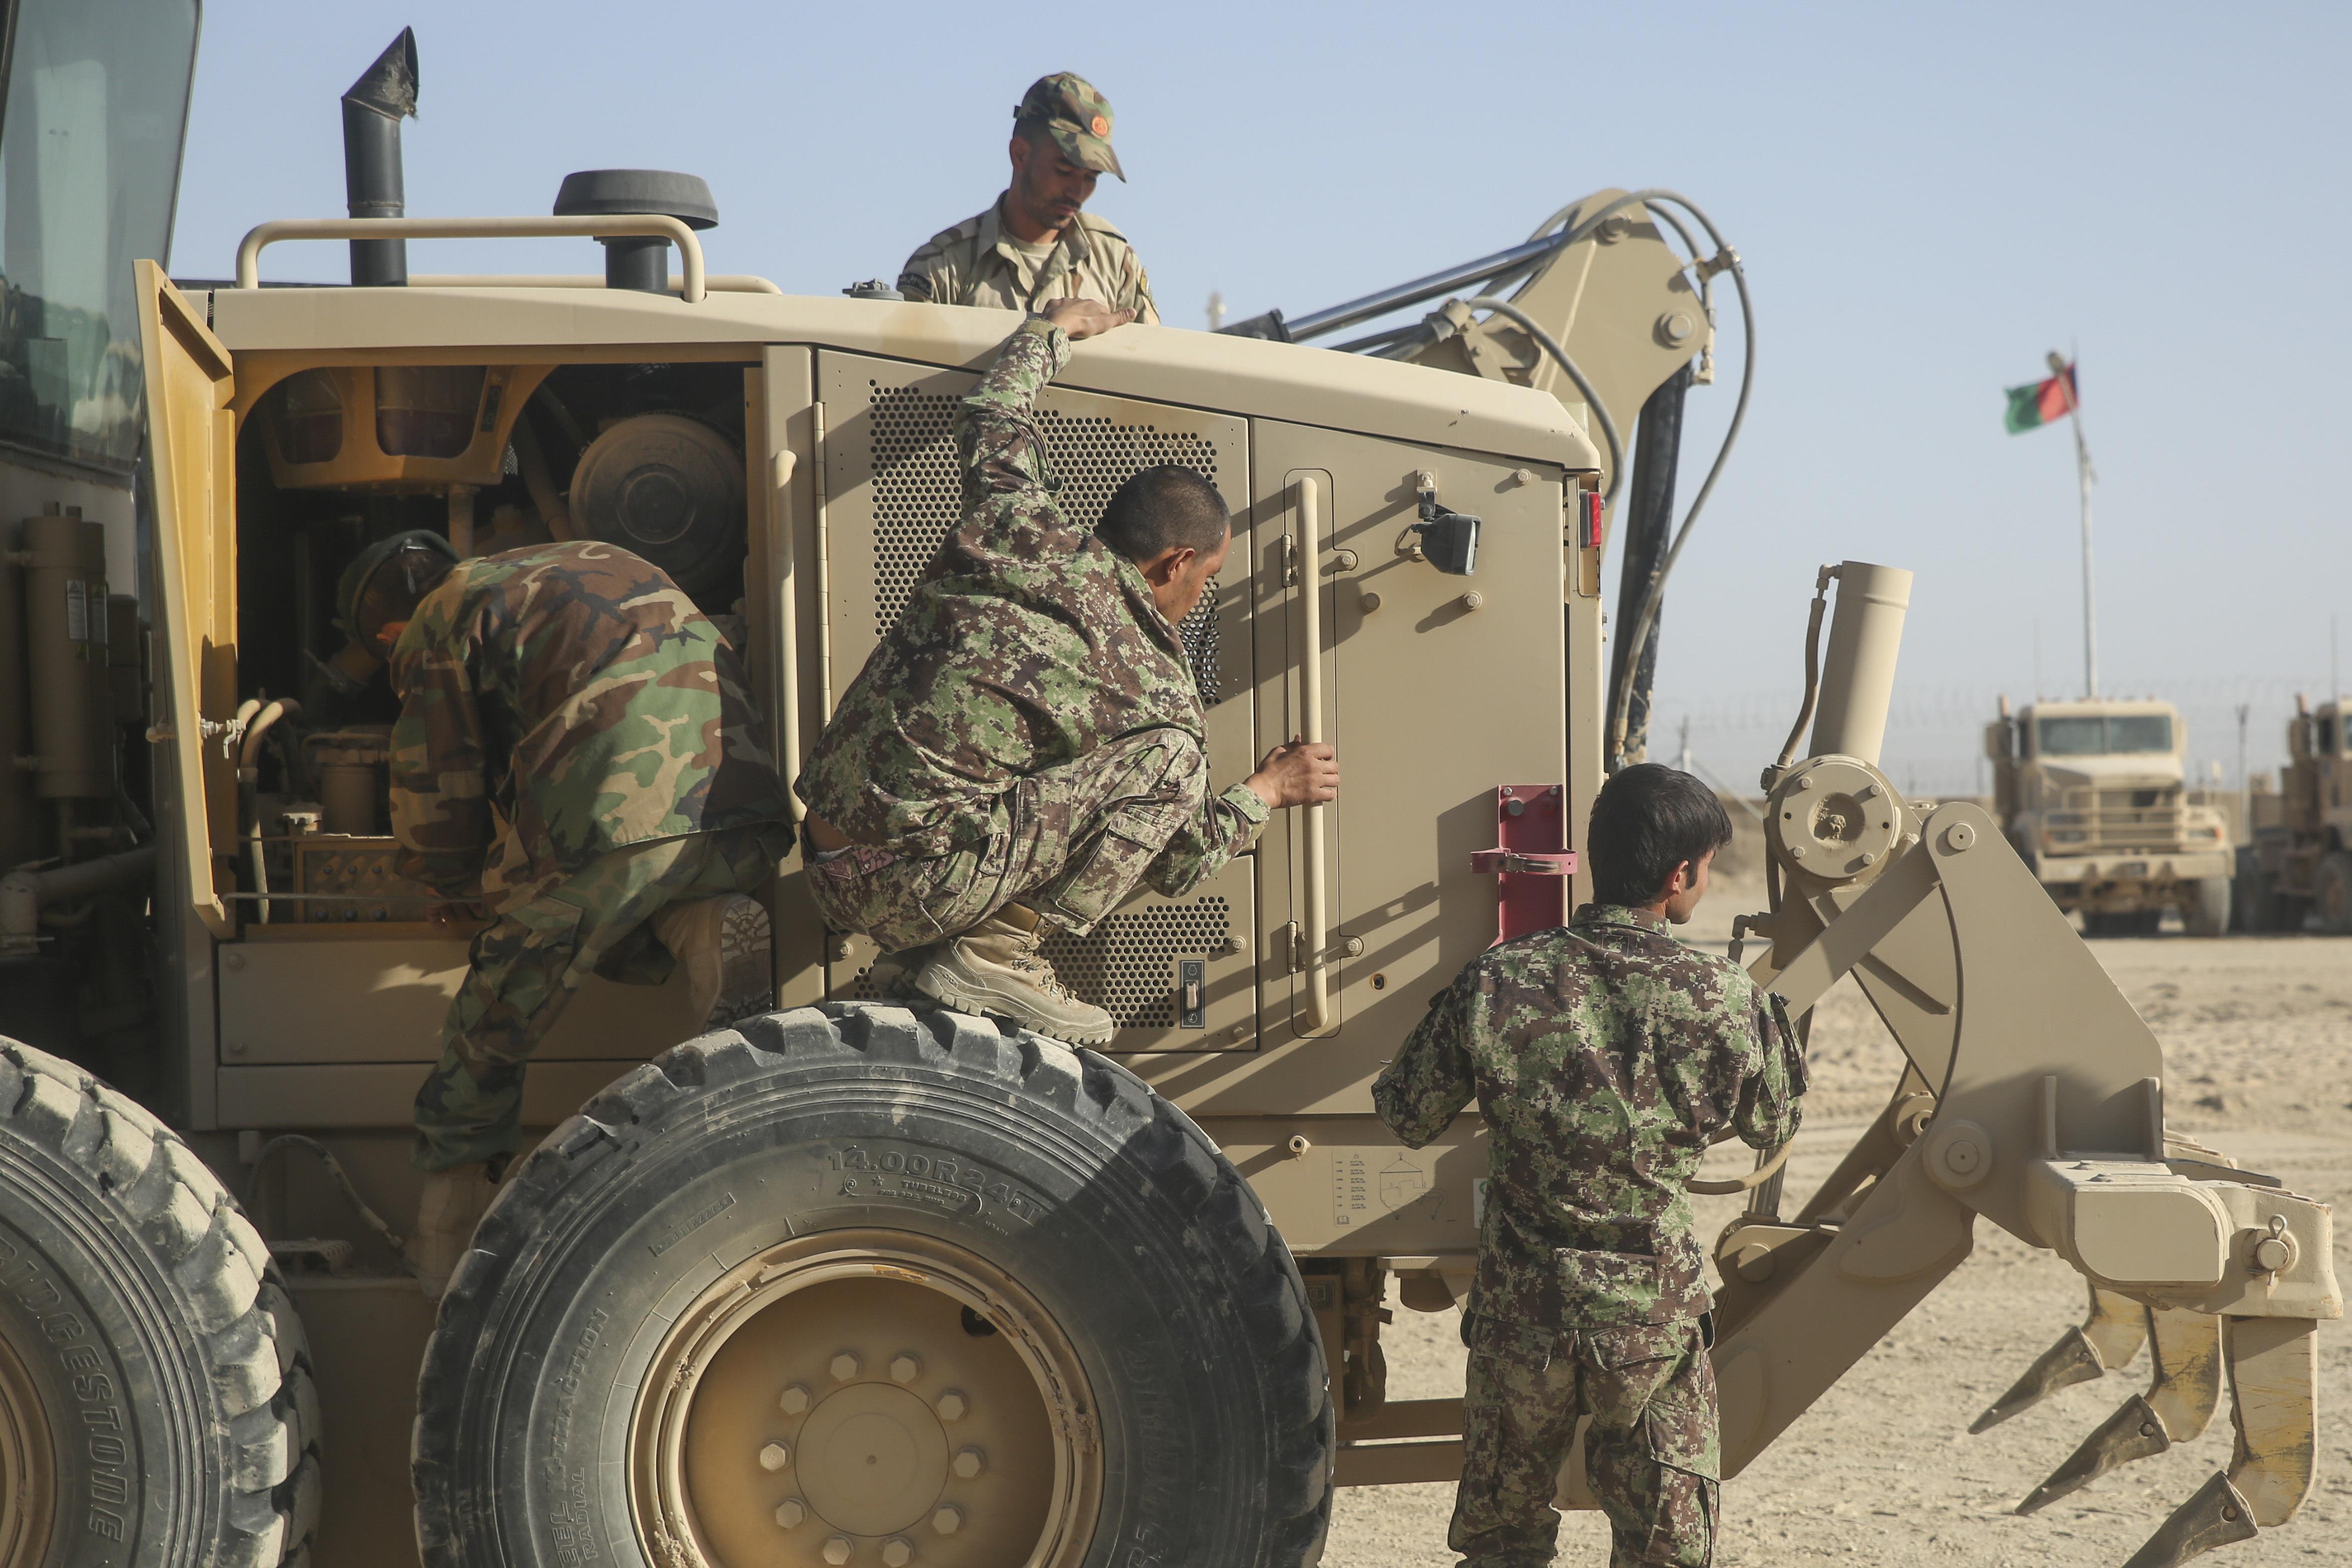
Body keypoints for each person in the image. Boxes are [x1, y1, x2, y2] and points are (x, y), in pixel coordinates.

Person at [795, 298, 1336, 1042]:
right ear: (1176, 562)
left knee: (983, 771)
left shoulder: (1016, 521)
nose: (1198, 594)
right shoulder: (1151, 680)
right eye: (1205, 577)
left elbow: (992, 413)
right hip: (913, 887)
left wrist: (1049, 332)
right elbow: (1179, 861)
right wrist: (1266, 790)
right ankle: (996, 952)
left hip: (823, 866)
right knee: (1173, 759)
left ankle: (921, 957)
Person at [1372, 764, 1807, 1567]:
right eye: (1704, 870)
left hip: (1520, 1322)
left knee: (1502, 1544)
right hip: (1650, 1326)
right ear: (1679, 874)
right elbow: (1772, 1121)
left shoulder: (1499, 978)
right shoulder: (1724, 995)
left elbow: (1404, 1109)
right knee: (1663, 1548)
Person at [336, 532, 793, 1297]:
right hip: (739, 805)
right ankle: (708, 928)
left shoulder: (441, 614)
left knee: (493, 1013)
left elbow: (436, 775)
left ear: (387, 629)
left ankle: (442, 1235)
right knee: (636, 906)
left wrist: (447, 882)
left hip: (619, 806)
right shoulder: (576, 560)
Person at [896, 72, 1159, 323]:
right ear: (1021, 155)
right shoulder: (944, 267)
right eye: (1064, 171)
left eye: (1092, 178)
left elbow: (1151, 363)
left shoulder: (1114, 262)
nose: (1077, 192)